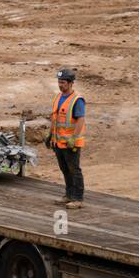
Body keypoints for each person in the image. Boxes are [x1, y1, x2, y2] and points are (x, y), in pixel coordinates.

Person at [49, 68, 86, 209]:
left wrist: (74, 138)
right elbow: (56, 118)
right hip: (58, 142)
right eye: (59, 82)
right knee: (65, 169)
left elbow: (80, 120)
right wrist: (50, 135)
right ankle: (69, 195)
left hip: (71, 143)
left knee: (74, 170)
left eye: (63, 82)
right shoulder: (58, 97)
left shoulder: (77, 100)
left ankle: (78, 198)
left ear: (71, 83)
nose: (60, 85)